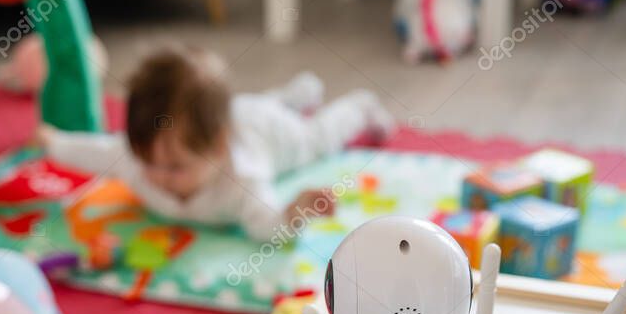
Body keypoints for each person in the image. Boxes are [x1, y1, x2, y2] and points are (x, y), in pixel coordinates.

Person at [38, 45, 394, 241]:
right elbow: (96, 151)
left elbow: (268, 226)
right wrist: (54, 142)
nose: (158, 176)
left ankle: (359, 107)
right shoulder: (139, 157)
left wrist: (295, 210)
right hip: (240, 113)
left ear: (220, 148)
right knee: (258, 103)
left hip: (269, 132)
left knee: (314, 139)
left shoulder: (243, 178)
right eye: (147, 161)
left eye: (176, 167)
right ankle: (297, 92)